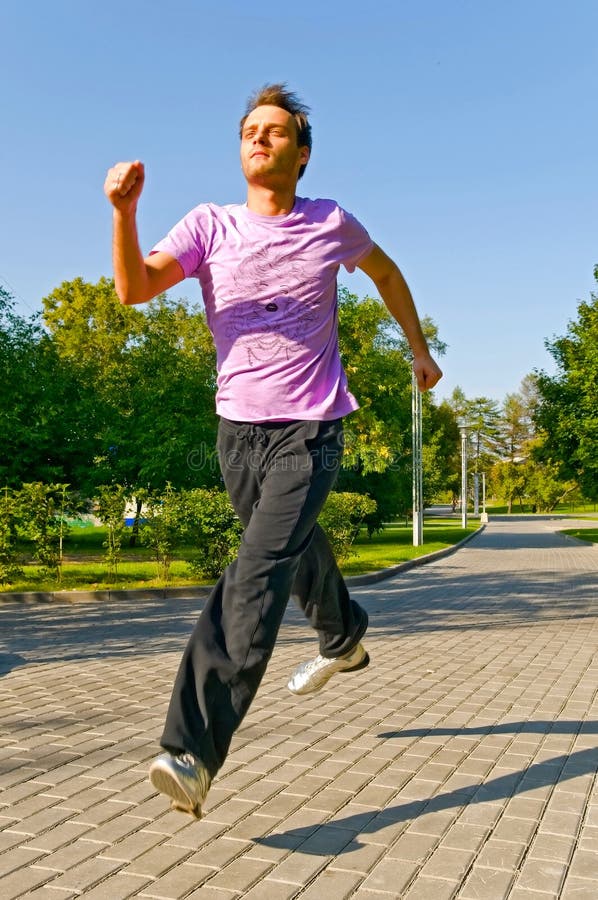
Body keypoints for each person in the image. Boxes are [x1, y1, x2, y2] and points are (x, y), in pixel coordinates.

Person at [104, 83, 442, 820]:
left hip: (311, 427)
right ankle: (343, 633)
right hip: (237, 431)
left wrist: (418, 349)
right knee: (287, 548)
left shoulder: (330, 223)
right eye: (250, 131)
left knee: (257, 568)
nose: (260, 140)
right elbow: (135, 289)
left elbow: (385, 273)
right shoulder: (208, 225)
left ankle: (193, 749)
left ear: (302, 152)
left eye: (276, 132)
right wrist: (124, 216)